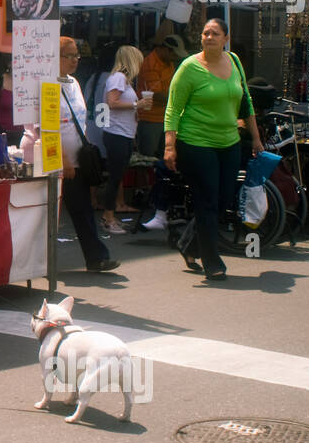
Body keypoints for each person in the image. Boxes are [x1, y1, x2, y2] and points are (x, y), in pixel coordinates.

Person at [163, 18, 263, 281]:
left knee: (223, 201)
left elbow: (246, 102)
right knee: (207, 201)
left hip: (229, 141)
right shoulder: (189, 67)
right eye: (205, 33)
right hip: (196, 143)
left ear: (225, 38)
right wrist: (170, 146)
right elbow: (173, 108)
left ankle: (187, 243)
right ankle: (213, 262)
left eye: (214, 33)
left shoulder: (236, 62)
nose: (208, 37)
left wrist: (255, 137)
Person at [36, 36, 119, 274]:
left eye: (77, 56)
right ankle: (41, 262)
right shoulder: (48, 84)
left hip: (79, 159)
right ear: (56, 57)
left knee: (83, 210)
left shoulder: (73, 83)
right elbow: (49, 127)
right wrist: (63, 160)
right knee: (50, 214)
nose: (74, 61)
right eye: (69, 56)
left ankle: (97, 257)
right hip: (58, 162)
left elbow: (79, 120)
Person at [99, 45, 150, 234]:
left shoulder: (125, 80)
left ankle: (110, 215)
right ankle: (108, 217)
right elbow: (112, 102)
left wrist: (137, 108)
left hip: (124, 133)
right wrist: (137, 104)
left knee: (118, 176)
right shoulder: (118, 78)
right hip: (116, 133)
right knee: (115, 177)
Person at [137, 33, 185, 157]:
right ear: (166, 50)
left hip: (165, 117)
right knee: (148, 158)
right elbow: (156, 94)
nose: (176, 58)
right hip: (150, 119)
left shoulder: (169, 62)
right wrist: (181, 100)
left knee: (163, 155)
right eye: (174, 54)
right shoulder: (150, 64)